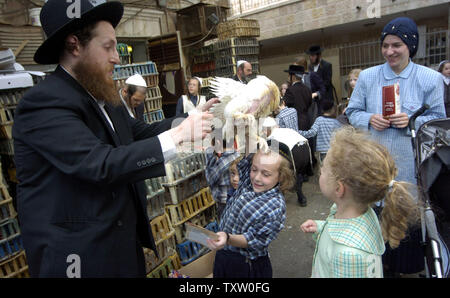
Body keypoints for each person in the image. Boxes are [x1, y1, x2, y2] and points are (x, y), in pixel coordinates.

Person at [12, 0, 215, 278]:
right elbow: (98, 164)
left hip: (120, 247)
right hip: (80, 258)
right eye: (107, 47)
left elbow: (137, 133)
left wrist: (188, 121)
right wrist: (179, 135)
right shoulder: (44, 103)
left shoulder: (104, 95)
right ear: (74, 45)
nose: (117, 58)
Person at [346, 17, 446, 276]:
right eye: (385, 45)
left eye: (397, 45)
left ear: (410, 46)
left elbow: (439, 122)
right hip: (373, 168)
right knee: (374, 232)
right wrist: (369, 118)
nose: (389, 51)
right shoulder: (368, 77)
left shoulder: (430, 79)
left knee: (407, 236)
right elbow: (351, 111)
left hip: (410, 172)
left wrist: (413, 120)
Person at [301, 126, 420, 278]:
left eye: (323, 168)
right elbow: (343, 233)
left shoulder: (349, 255)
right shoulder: (361, 214)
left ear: (339, 188)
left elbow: (344, 246)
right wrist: (320, 228)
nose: (320, 170)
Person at [206, 141, 296, 278]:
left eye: (266, 174)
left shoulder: (274, 206)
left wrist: (227, 238)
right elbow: (246, 160)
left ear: (281, 177)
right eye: (254, 170)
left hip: (245, 265)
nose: (257, 178)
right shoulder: (248, 183)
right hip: (224, 254)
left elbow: (253, 239)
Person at [205, 143, 240, 221]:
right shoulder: (236, 154)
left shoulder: (225, 159)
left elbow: (210, 178)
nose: (234, 179)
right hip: (229, 197)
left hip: (225, 202)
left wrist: (210, 156)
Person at [306, 45, 334, 111]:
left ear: (318, 56)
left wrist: (317, 92)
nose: (310, 58)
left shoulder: (327, 65)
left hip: (325, 98)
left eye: (313, 56)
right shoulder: (310, 67)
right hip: (314, 100)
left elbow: (327, 82)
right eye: (310, 56)